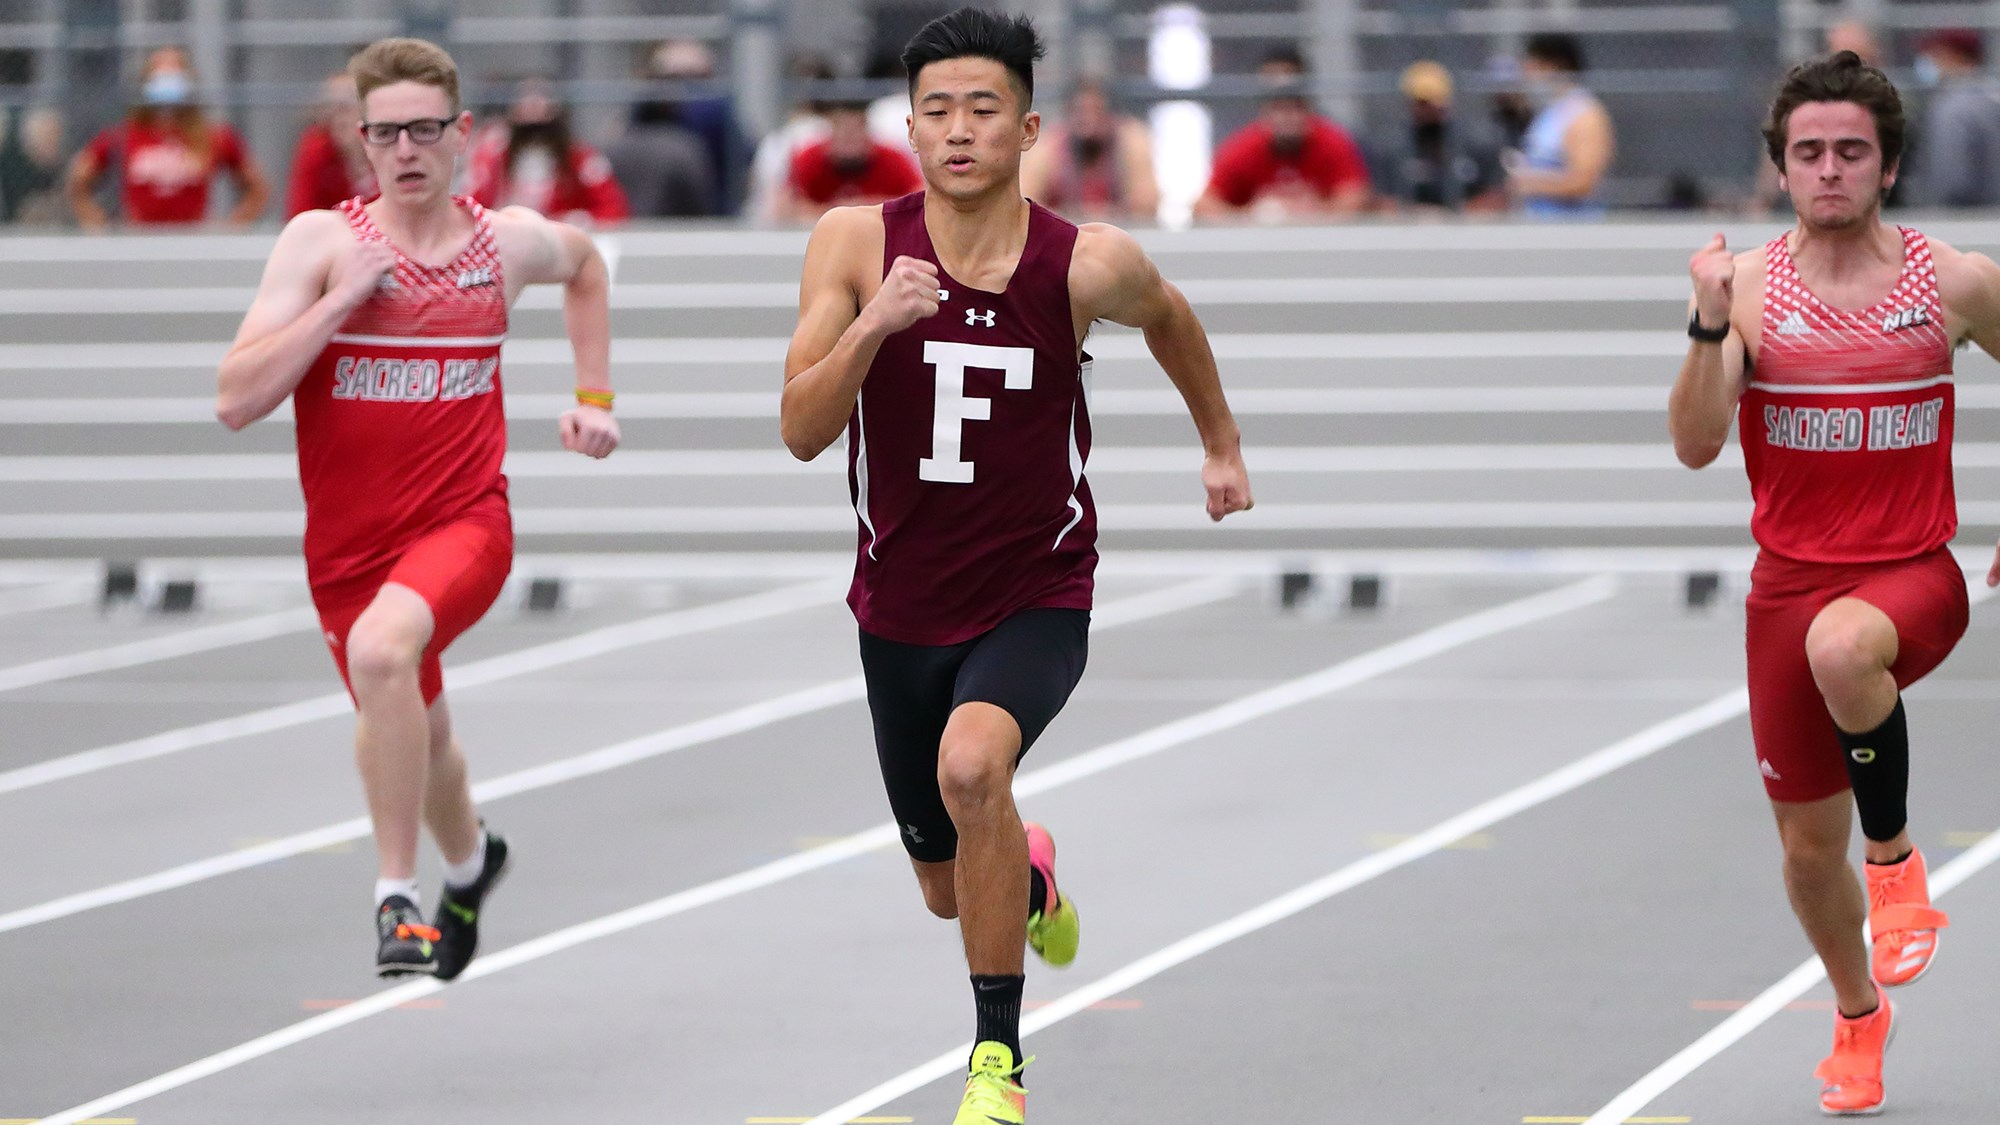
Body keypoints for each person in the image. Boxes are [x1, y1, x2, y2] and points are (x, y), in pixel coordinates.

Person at [780, 9, 1252, 1122]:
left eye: (982, 109)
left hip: (1036, 590)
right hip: (898, 606)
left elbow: (1173, 320)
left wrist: (1219, 445)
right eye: (936, 110)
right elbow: (801, 429)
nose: (957, 131)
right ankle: (1024, 872)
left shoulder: (1084, 262)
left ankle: (997, 1061)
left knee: (971, 767)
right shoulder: (853, 243)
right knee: (948, 889)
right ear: (907, 126)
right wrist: (871, 329)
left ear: (1027, 127)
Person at [215, 37, 620, 980]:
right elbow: (235, 399)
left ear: (462, 134)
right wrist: (336, 306)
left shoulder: (506, 244)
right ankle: (473, 864)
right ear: (362, 140)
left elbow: (588, 264)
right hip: (348, 552)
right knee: (422, 735)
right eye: (386, 134)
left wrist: (594, 399)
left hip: (465, 525)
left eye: (424, 131)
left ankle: (396, 900)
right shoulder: (321, 244)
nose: (406, 151)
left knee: (383, 653)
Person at [1668, 51, 2000, 1116]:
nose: (1826, 169)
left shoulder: (1951, 280)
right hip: (1787, 587)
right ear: (1779, 169)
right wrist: (1706, 322)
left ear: (1887, 167)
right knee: (1807, 857)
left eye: (1848, 151)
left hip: (1908, 575)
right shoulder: (1750, 291)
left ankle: (1897, 865)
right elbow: (1691, 446)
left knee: (1843, 649)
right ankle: (1857, 1015)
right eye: (1806, 152)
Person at [67, 46, 270, 229]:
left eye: (175, 68)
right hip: (140, 236)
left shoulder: (212, 136)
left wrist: (232, 227)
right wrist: (96, 223)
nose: (167, 76)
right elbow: (79, 178)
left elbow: (257, 187)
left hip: (192, 238)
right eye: (159, 69)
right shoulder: (123, 136)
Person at [1195, 47, 1371, 220]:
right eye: (1277, 105)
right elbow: (1204, 205)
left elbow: (1355, 199)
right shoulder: (1243, 147)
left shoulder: (1332, 141)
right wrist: (1255, 214)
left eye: (1293, 104)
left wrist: (1314, 211)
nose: (1286, 116)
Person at [465, 79, 630, 225]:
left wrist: (577, 221)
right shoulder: (495, 157)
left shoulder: (580, 158)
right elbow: (473, 204)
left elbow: (613, 208)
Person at [1374, 60, 1506, 214]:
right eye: (1423, 102)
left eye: (1436, 100)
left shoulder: (1477, 143)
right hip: (1413, 229)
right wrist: (1425, 215)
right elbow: (1382, 202)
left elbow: (1497, 196)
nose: (1431, 109)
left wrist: (1456, 216)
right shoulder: (1394, 147)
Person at [1020, 77, 1160, 221]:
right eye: (1082, 112)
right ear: (1070, 114)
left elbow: (1147, 205)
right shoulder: (1049, 145)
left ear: (1110, 114)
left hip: (1120, 234)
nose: (1089, 122)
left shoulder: (1131, 141)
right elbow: (1027, 203)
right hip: (1063, 236)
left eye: (1096, 111)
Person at [1506, 33, 1613, 219]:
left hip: (1571, 230)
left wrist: (1529, 184)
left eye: (1534, 65)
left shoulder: (1583, 114)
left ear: (1554, 65)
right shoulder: (1550, 112)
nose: (1526, 73)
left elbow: (1584, 182)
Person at [781, 99, 921, 221]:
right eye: (843, 131)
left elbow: (919, 196)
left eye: (855, 130)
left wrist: (869, 207)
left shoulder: (891, 159)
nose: (849, 138)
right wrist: (838, 211)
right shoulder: (809, 158)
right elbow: (787, 206)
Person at [1912, 29, 2000, 207]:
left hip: (1964, 223)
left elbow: (1952, 181)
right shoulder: (1991, 96)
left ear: (1953, 56)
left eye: (1935, 55)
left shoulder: (1953, 108)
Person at [285, 72, 378, 217]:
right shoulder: (316, 150)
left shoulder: (386, 146)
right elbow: (301, 214)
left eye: (346, 107)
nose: (338, 117)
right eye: (330, 108)